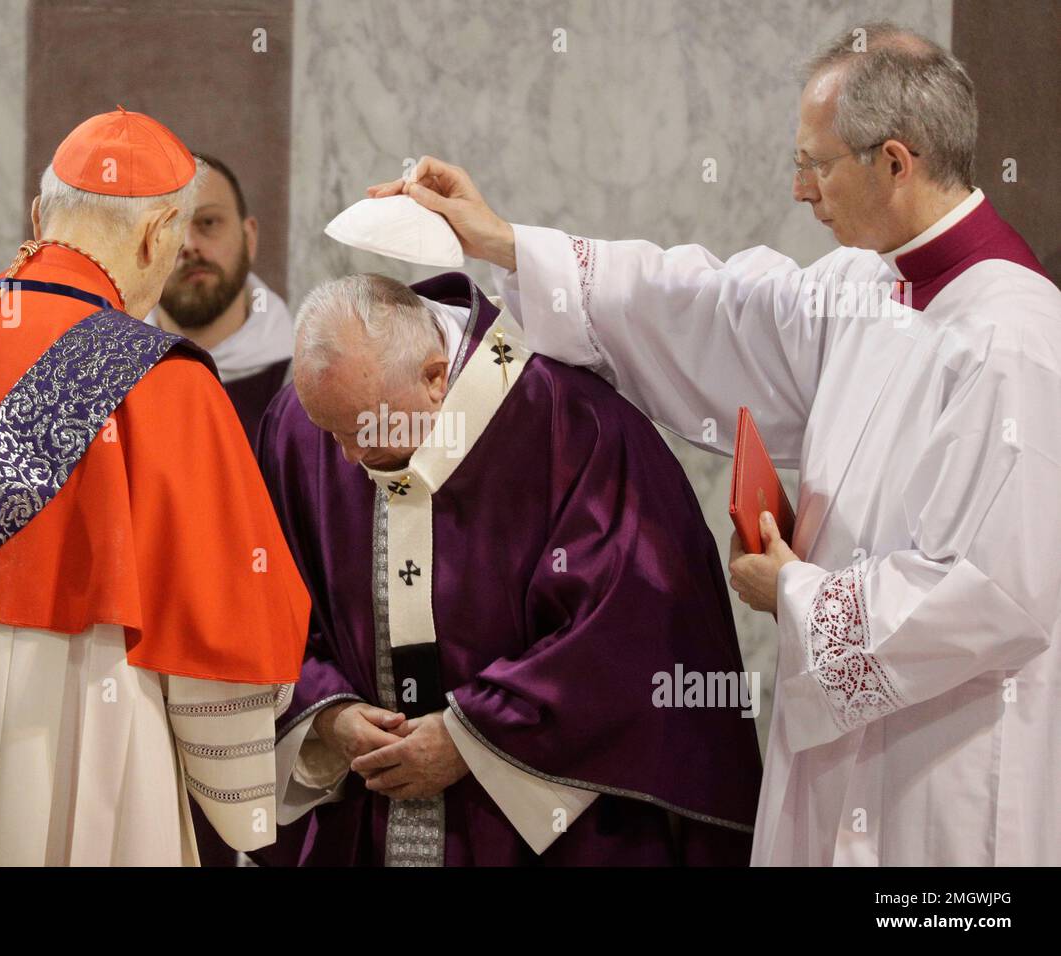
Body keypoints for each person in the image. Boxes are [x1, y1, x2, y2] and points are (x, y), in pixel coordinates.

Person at [373, 22, 1061, 865]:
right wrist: (505, 243)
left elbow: (996, 594)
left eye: (817, 162)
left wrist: (796, 594)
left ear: (894, 161)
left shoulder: (1013, 340)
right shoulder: (867, 285)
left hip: (944, 764)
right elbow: (712, 309)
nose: (801, 189)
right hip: (852, 748)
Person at [0, 108, 310, 866]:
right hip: (91, 735)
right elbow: (227, 642)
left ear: (41, 215)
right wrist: (242, 797)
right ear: (155, 232)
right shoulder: (167, 382)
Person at [255, 270, 762, 866]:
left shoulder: (571, 425)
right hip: (365, 815)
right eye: (334, 433)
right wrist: (329, 714)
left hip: (539, 827)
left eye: (368, 430)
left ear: (436, 377)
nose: (349, 457)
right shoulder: (304, 421)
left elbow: (635, 625)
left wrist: (472, 739)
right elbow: (263, 605)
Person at [148, 152, 292, 443]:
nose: (188, 245)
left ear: (249, 238)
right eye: (168, 228)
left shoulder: (303, 382)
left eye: (208, 222)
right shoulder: (113, 380)